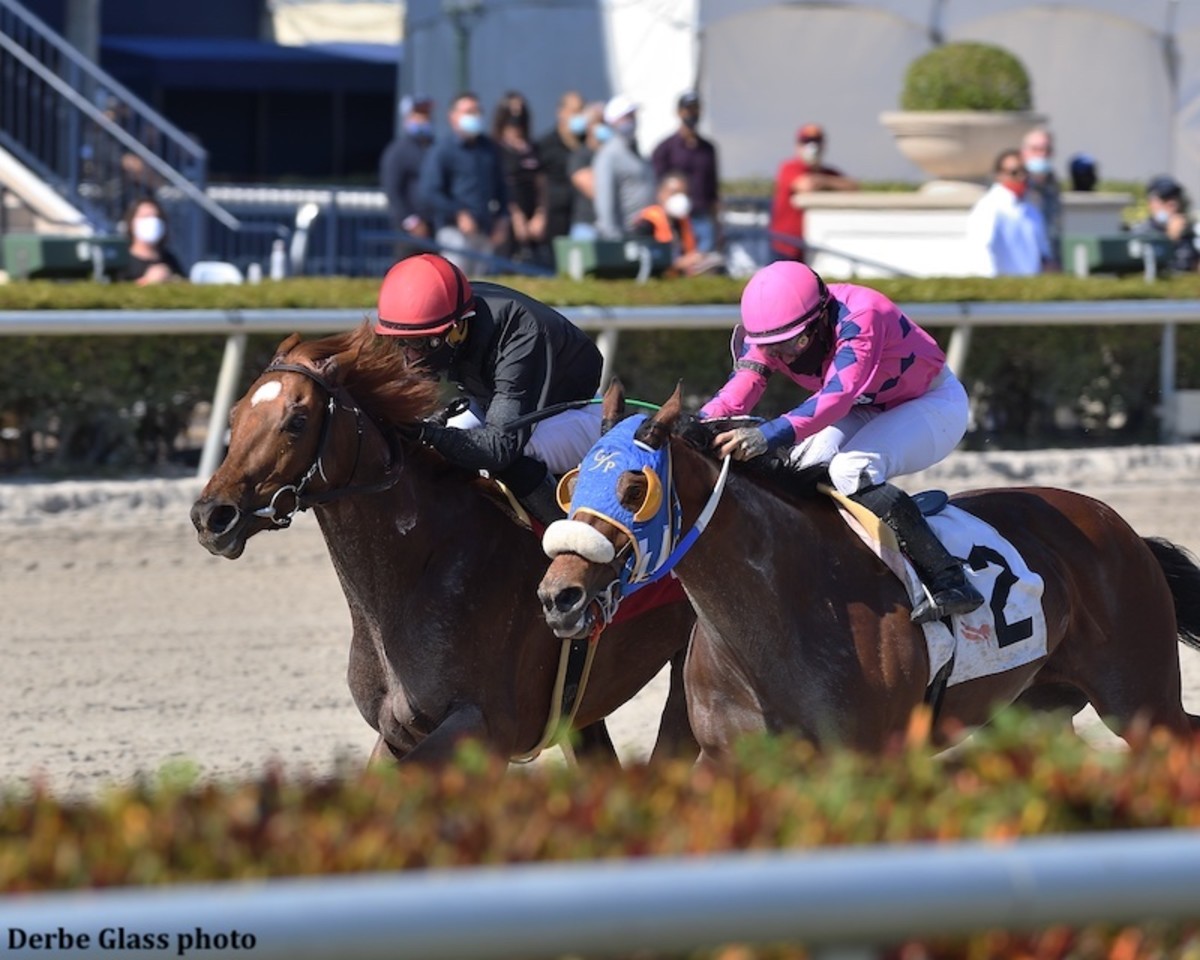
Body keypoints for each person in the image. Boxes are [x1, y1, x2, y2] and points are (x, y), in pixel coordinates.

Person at [699, 261, 983, 624]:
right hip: (867, 404)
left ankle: (949, 579)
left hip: (931, 403)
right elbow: (741, 388)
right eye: (772, 350)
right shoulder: (771, 337)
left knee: (851, 469)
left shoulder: (862, 316)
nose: (784, 356)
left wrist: (767, 435)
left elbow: (837, 396)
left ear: (820, 318)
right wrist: (697, 424)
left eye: (793, 344)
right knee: (801, 467)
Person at [373, 253, 604, 525]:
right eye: (400, 342)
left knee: (512, 458)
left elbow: (499, 448)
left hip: (578, 417)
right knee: (433, 448)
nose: (409, 357)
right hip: (507, 407)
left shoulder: (520, 334)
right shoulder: (453, 314)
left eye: (419, 344)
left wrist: (427, 432)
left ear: (455, 330)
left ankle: (570, 540)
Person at [417, 92, 509, 276]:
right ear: (453, 117)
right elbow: (430, 191)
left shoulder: (489, 148)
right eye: (468, 111)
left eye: (477, 111)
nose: (474, 116)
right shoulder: (442, 150)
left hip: (484, 231)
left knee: (482, 285)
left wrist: (502, 219)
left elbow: (501, 187)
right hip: (454, 232)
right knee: (456, 281)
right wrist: (458, 213)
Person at [767, 123, 858, 262]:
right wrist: (824, 182)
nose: (812, 146)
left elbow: (852, 186)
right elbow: (805, 185)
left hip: (809, 247)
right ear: (797, 146)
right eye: (806, 142)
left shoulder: (827, 173)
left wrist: (824, 181)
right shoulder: (789, 167)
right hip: (785, 245)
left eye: (816, 142)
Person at [651, 91, 721, 253]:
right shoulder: (665, 149)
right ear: (679, 112)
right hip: (677, 219)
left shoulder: (708, 149)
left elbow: (713, 190)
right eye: (688, 110)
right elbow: (659, 187)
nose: (692, 114)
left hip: (703, 218)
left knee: (705, 260)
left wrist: (717, 223)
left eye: (695, 109)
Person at [964, 149, 1052, 277]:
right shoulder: (988, 207)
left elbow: (1043, 255)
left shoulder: (1032, 211)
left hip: (1030, 285)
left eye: (1024, 172)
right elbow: (980, 251)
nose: (1021, 178)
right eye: (1014, 173)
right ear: (999, 176)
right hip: (1002, 285)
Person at [631, 171, 724, 277]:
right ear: (660, 194)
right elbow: (643, 260)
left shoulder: (682, 222)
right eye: (674, 193)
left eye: (683, 194)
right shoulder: (647, 223)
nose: (679, 198)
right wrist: (678, 264)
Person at [379, 93, 436, 259]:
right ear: (407, 117)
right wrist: (411, 221)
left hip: (433, 224)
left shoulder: (433, 148)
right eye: (419, 114)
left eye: (426, 114)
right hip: (408, 229)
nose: (424, 118)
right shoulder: (398, 151)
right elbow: (392, 190)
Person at [592, 94, 655, 240]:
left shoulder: (637, 151)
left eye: (633, 116)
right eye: (627, 117)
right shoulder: (608, 155)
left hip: (646, 231)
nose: (632, 120)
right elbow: (605, 200)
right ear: (614, 121)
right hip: (626, 234)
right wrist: (613, 237)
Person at [493, 108, 549, 267]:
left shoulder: (532, 149)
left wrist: (541, 214)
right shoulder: (498, 151)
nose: (516, 131)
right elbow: (502, 186)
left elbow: (541, 183)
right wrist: (516, 216)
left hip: (534, 214)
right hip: (510, 213)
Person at [537, 90, 587, 244]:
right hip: (555, 219)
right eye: (574, 111)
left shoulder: (586, 144)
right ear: (561, 112)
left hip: (581, 217)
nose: (579, 116)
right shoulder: (546, 145)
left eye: (581, 111)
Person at [1131, 175, 1199, 274]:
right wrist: (1170, 239)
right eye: (1165, 199)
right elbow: (1147, 269)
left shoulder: (1186, 231)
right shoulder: (1142, 233)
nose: (1172, 203)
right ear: (1151, 203)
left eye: (1175, 197)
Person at [1020, 127, 1061, 268]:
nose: (1041, 154)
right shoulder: (1018, 186)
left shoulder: (1053, 185)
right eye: (1035, 149)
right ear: (1024, 152)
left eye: (1046, 150)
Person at [119, 197, 184, 285]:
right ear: (131, 223)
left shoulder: (169, 259)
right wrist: (147, 281)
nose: (153, 221)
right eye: (146, 217)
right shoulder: (122, 260)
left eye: (157, 217)